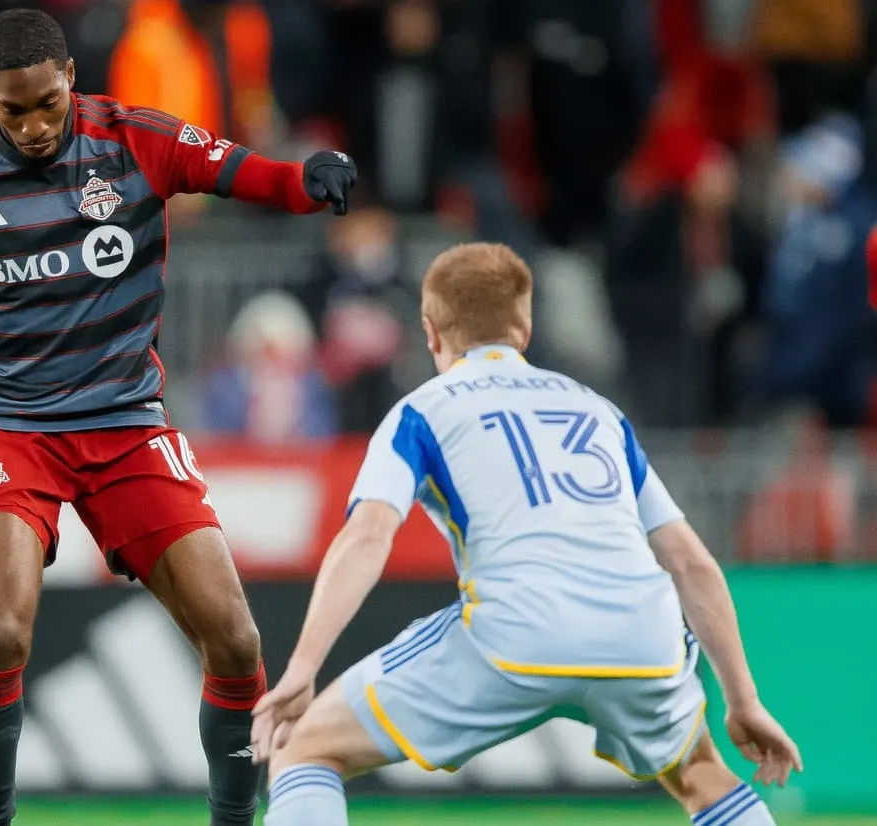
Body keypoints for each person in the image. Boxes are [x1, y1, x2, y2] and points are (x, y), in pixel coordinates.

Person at [0, 10, 357, 826]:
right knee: (1, 639)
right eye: (10, 110)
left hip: (126, 422)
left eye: (46, 103)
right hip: (6, 427)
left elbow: (245, 172)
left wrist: (308, 178)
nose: (30, 125)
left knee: (234, 641)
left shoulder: (136, 141)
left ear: (70, 80)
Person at [249, 243, 802, 826]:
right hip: (641, 633)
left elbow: (367, 538)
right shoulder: (597, 411)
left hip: (516, 631)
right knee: (701, 774)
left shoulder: (422, 410)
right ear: (526, 328)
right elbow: (690, 562)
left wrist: (303, 668)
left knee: (303, 747)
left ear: (431, 332)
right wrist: (744, 700)